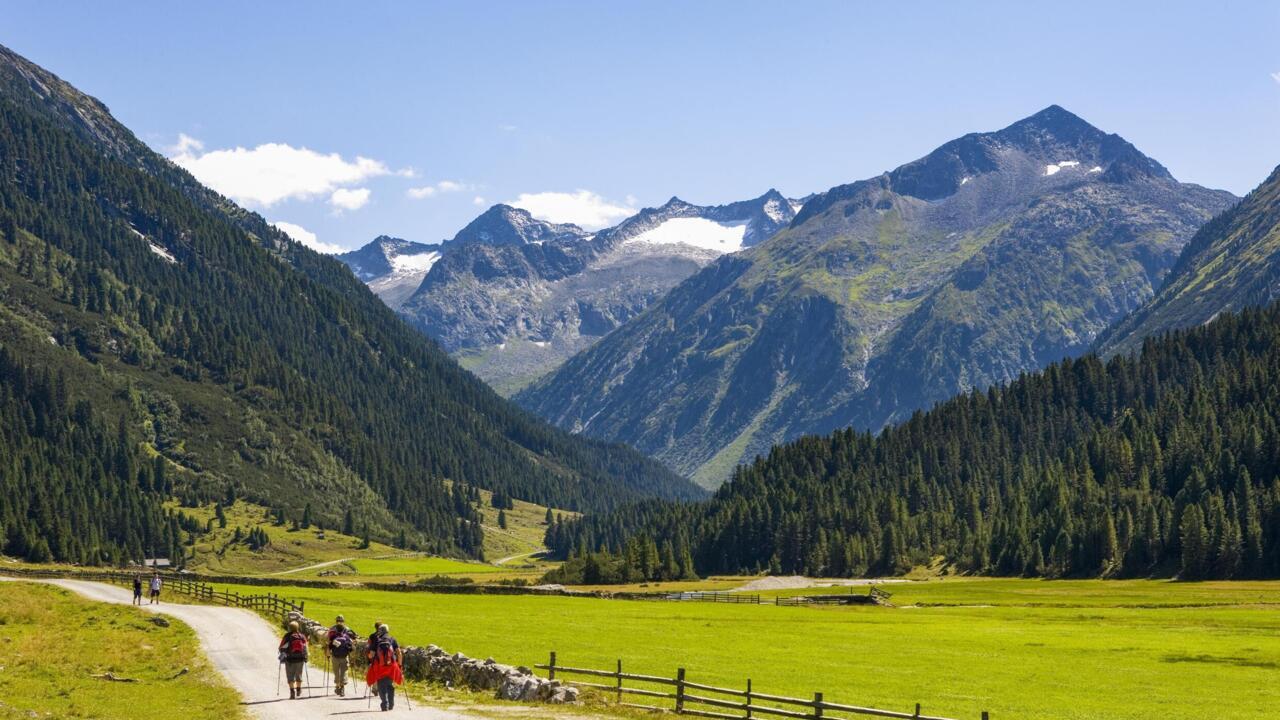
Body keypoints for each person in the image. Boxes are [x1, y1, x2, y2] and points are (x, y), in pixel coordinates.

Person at [364, 623, 403, 711]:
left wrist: (370, 658)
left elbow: (371, 655)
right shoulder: (392, 639)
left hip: (379, 666)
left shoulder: (377, 640)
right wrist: (399, 665)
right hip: (391, 666)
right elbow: (399, 653)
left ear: (380, 631)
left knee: (381, 685)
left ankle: (384, 704)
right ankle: (391, 703)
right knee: (389, 684)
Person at [325, 614, 355, 696]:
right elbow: (351, 645)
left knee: (336, 672)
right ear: (343, 621)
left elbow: (328, 643)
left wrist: (327, 654)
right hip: (344, 656)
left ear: (336, 621)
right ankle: (342, 687)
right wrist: (352, 657)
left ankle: (338, 686)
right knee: (344, 671)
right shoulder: (347, 630)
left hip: (335, 656)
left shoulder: (332, 630)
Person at [279, 620, 309, 699]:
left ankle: (292, 692)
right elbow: (306, 647)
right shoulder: (301, 636)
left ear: (290, 627)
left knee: (290, 676)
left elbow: (281, 647)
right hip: (300, 659)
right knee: (299, 675)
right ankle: (298, 689)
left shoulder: (287, 636)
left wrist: (282, 655)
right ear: (297, 627)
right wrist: (306, 657)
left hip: (289, 659)